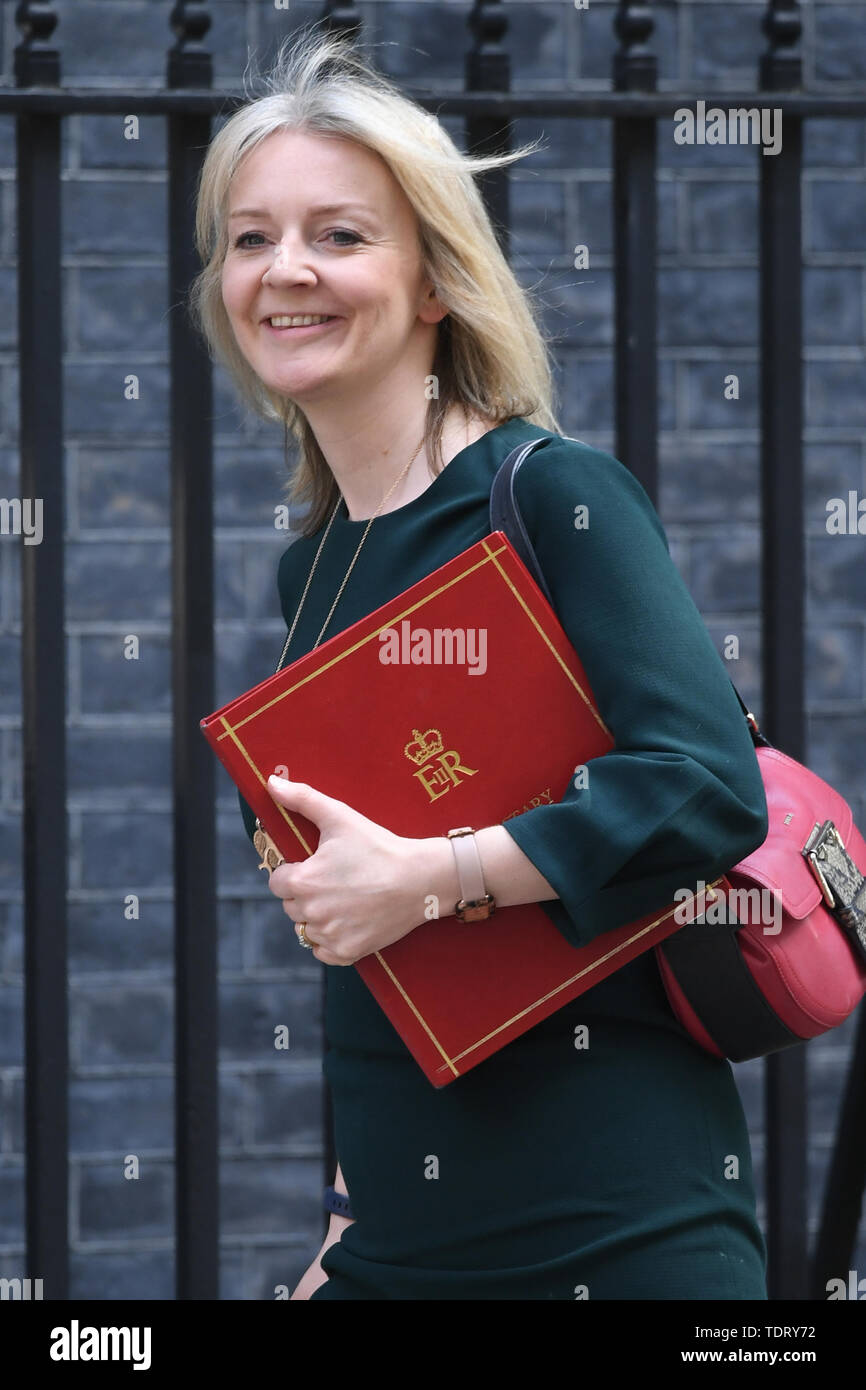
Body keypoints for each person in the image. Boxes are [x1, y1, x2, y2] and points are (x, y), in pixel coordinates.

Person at [190, 28, 770, 1301]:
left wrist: (435, 874)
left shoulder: (551, 494)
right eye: (249, 238)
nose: (285, 269)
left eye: (339, 235)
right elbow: (378, 959)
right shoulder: (319, 566)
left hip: (613, 1229)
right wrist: (344, 1225)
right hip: (402, 1244)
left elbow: (706, 786)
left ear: (436, 282)